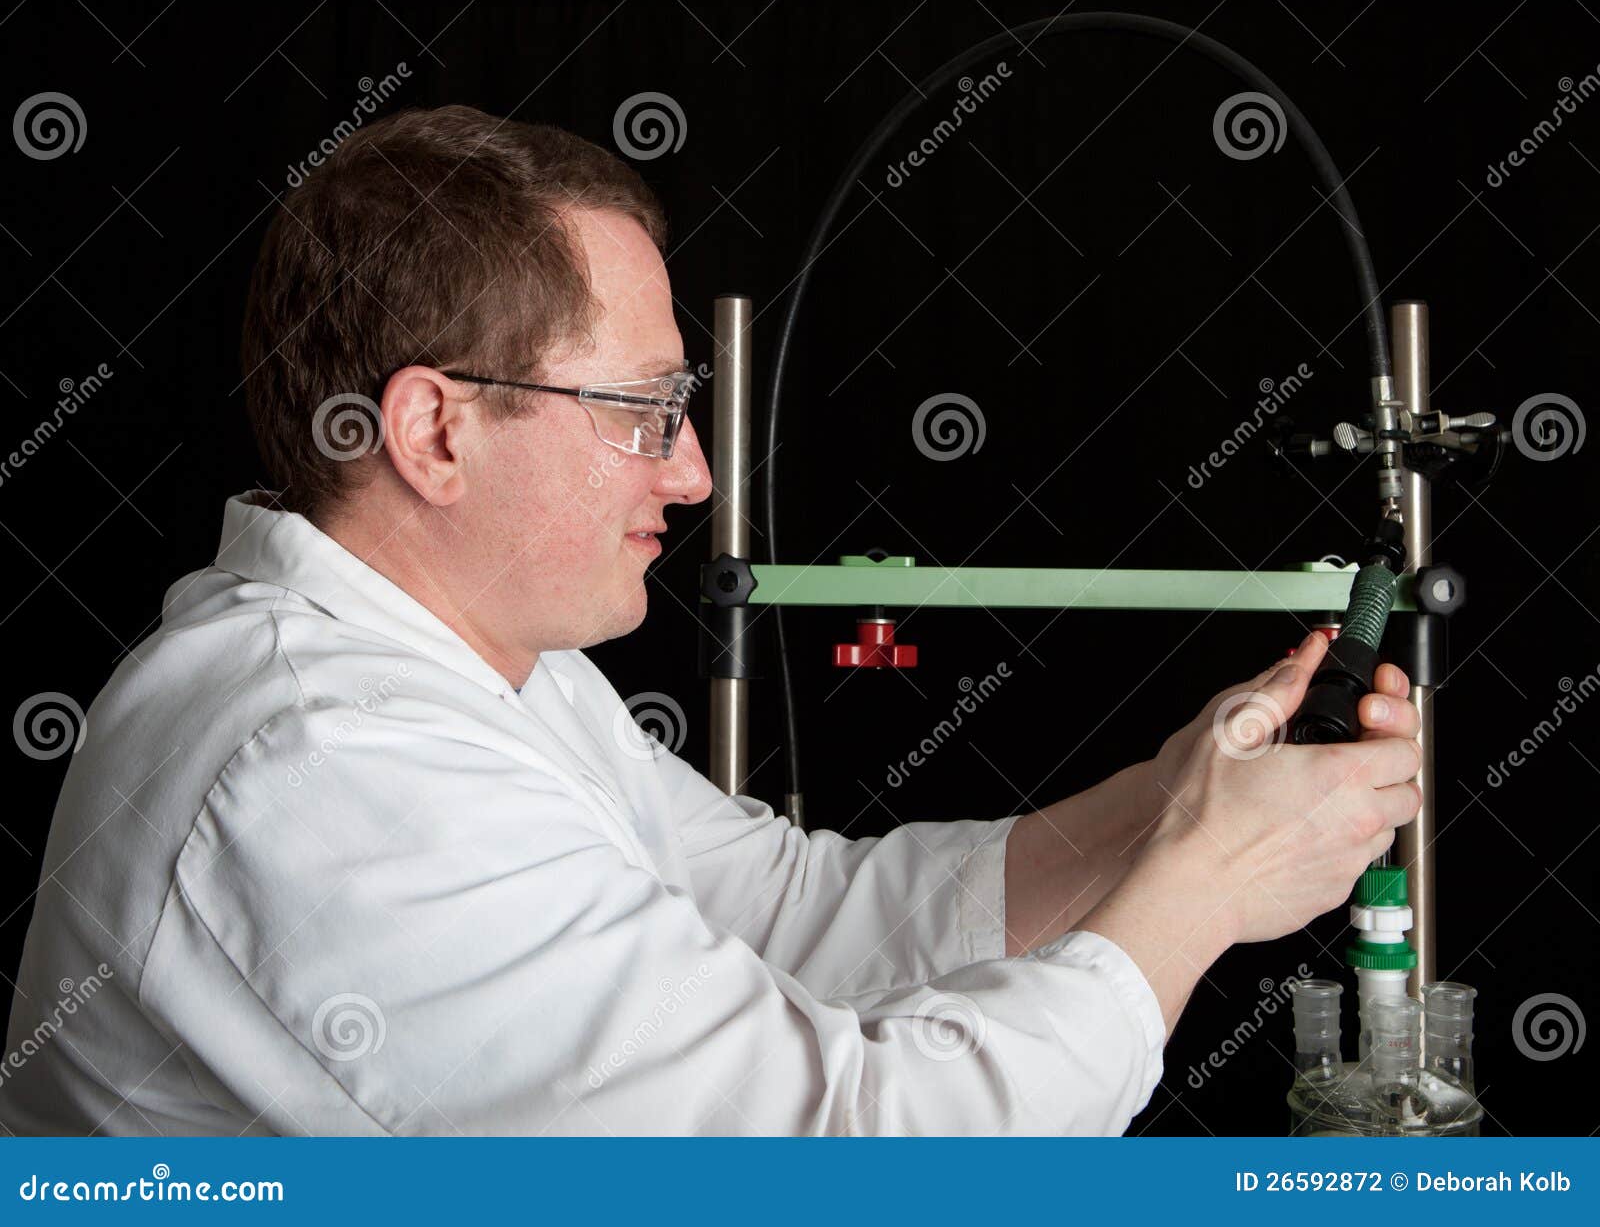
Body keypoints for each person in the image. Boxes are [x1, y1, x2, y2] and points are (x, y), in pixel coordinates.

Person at [0, 105, 1420, 1136]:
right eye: (640, 413)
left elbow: (795, 916)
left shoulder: (481, 670)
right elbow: (853, 1165)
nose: (691, 474)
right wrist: (1206, 888)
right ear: (434, 431)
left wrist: (1171, 803)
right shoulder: (326, 767)